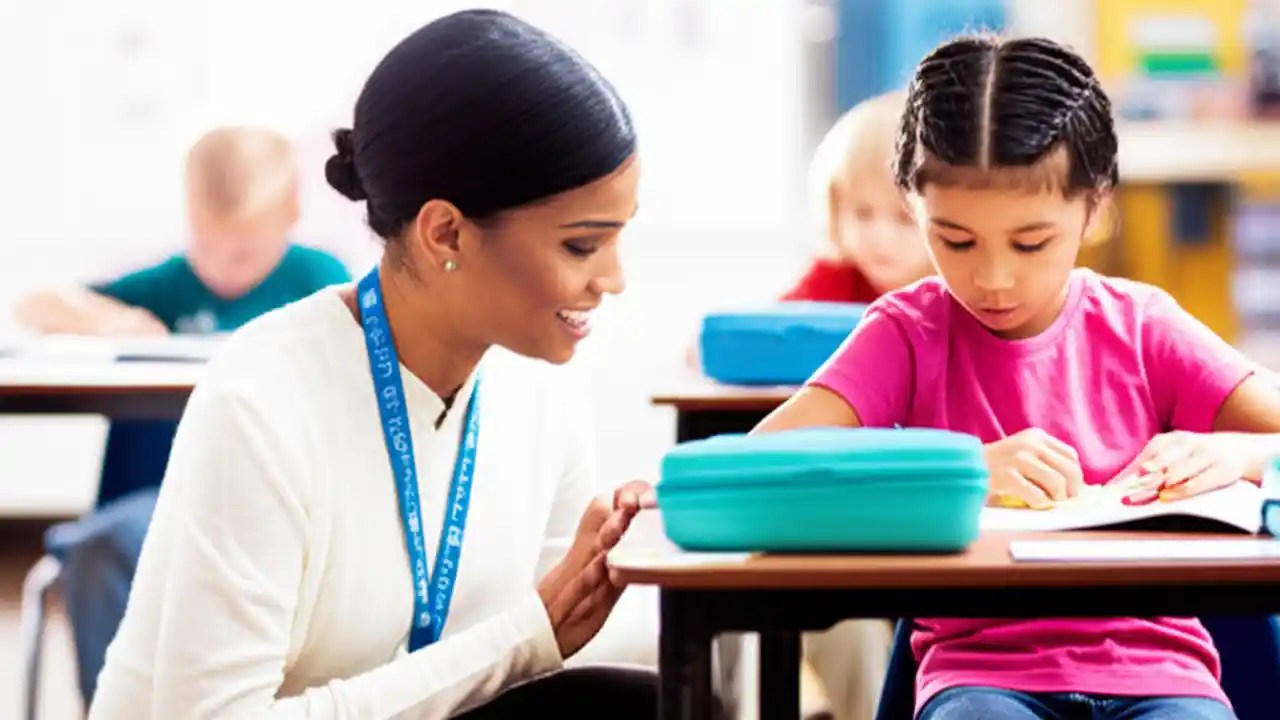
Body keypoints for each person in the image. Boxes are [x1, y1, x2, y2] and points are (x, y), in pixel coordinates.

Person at [89, 10, 657, 719]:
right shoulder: (263, 397)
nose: (614, 278)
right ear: (445, 231)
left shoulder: (540, 379)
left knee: (657, 701)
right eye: (582, 246)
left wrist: (651, 567)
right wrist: (525, 634)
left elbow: (538, 648)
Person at [755, 34, 1280, 720]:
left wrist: (1236, 453)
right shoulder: (906, 332)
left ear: (1093, 208)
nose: (994, 279)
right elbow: (765, 465)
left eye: (1031, 243)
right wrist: (958, 470)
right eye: (956, 240)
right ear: (917, 209)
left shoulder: (1142, 325)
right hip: (979, 675)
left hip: (1160, 672)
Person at [14, 125, 351, 706]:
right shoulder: (167, 285)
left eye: (242, 251)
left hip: (270, 501)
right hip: (146, 508)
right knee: (106, 547)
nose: (221, 265)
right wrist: (108, 321)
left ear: (290, 213)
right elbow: (36, 303)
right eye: (206, 242)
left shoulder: (318, 280)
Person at [780, 90, 930, 304]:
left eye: (906, 219)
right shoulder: (834, 275)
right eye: (862, 213)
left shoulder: (963, 291)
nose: (880, 238)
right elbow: (778, 328)